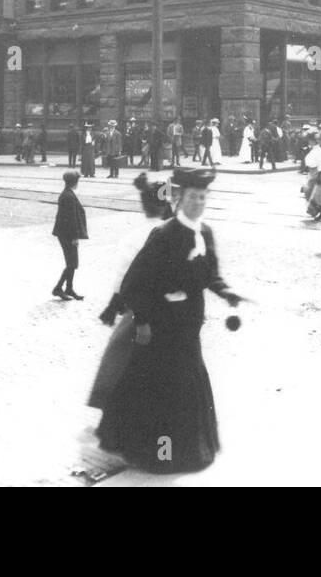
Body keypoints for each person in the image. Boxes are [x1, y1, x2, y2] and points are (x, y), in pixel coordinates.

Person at [95, 168, 244, 473]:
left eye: (203, 197)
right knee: (161, 392)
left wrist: (226, 291)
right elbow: (133, 285)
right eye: (192, 197)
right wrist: (143, 322)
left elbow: (210, 274)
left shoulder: (205, 233)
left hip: (188, 329)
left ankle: (185, 451)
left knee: (186, 389)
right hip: (161, 330)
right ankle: (160, 455)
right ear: (179, 198)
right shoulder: (163, 235)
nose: (198, 203)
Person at [89, 173, 174, 410]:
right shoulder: (174, 232)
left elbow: (123, 278)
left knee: (123, 356)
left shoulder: (134, 237)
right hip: (169, 309)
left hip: (139, 309)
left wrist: (113, 304)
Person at [51, 171, 88, 300]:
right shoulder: (68, 196)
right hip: (67, 234)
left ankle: (69, 288)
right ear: (74, 182)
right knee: (72, 263)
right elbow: (71, 219)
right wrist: (75, 237)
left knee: (72, 263)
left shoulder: (67, 193)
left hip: (64, 233)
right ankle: (58, 288)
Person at [302, 136, 321, 221]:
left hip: (317, 173)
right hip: (312, 173)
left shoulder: (319, 151)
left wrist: (320, 174)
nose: (309, 142)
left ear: (314, 141)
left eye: (311, 141)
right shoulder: (313, 150)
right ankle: (317, 211)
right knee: (310, 193)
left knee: (318, 195)